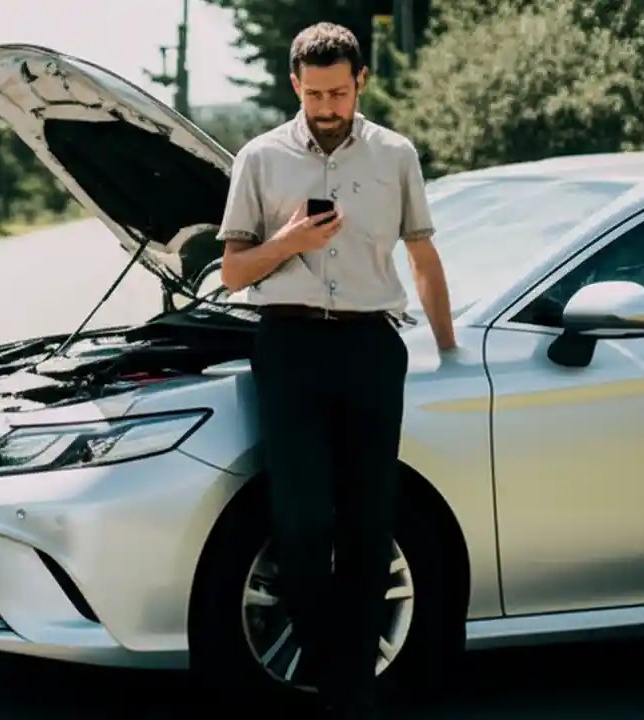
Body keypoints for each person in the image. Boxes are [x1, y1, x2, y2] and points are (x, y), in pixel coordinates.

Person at [215, 21, 455, 719]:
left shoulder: (395, 154)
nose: (328, 106)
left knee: (370, 521)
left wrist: (450, 349)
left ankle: (351, 691)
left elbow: (423, 258)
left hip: (371, 348)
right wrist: (288, 241)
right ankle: (326, 669)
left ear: (361, 83)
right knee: (300, 519)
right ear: (294, 84)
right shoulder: (258, 159)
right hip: (288, 346)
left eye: (340, 92)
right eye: (315, 93)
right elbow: (233, 272)